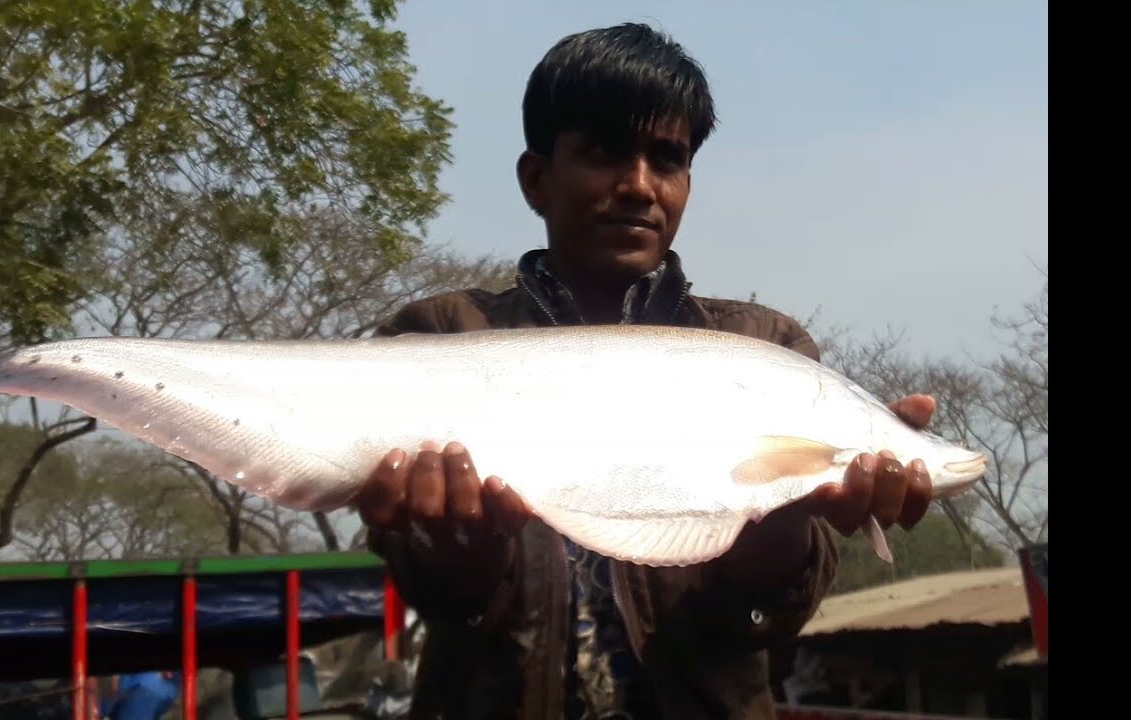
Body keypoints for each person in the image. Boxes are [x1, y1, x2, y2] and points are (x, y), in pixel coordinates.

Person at [356, 23, 936, 720]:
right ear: (536, 179)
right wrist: (459, 550)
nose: (638, 186)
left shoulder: (766, 352)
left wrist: (780, 523)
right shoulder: (438, 340)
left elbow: (766, 620)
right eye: (604, 153)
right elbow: (442, 599)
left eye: (667, 159)